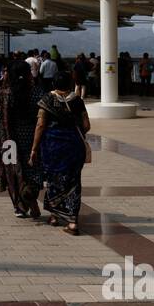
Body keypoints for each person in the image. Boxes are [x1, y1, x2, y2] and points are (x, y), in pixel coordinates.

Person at [29, 67, 91, 236]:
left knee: (53, 179)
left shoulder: (47, 99)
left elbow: (40, 125)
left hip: (52, 147)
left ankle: (55, 216)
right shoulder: (77, 100)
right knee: (74, 182)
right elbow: (86, 125)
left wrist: (34, 148)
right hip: (74, 147)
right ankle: (72, 223)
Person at [0, 60, 43, 219]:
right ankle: (31, 200)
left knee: (12, 171)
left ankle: (19, 206)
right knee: (32, 172)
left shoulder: (4, 94)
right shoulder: (37, 92)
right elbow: (43, 118)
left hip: (8, 141)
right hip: (32, 139)